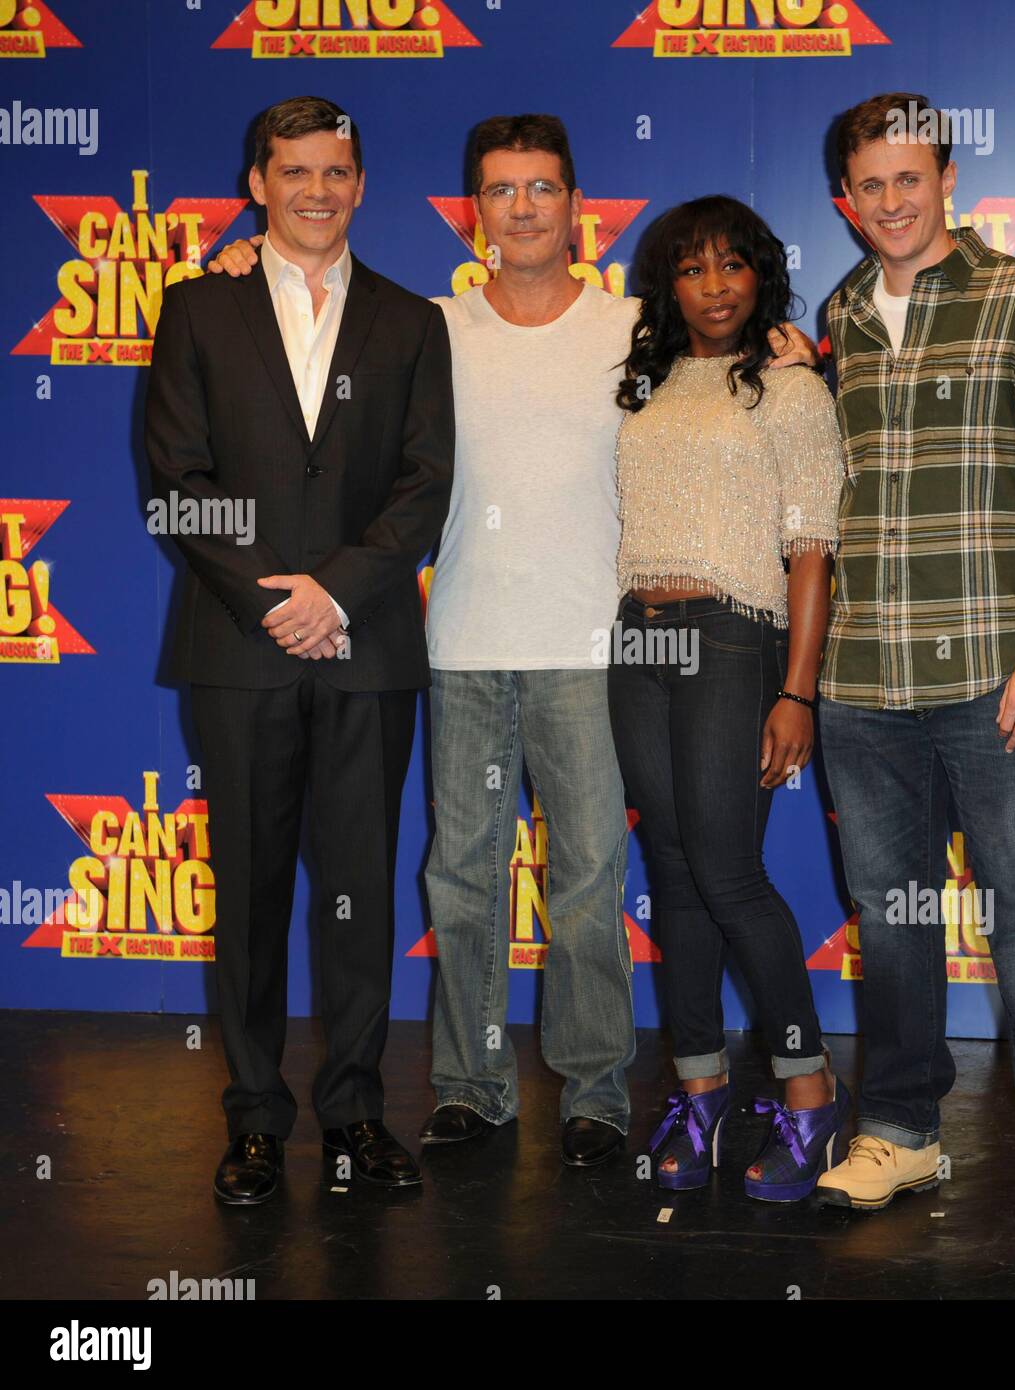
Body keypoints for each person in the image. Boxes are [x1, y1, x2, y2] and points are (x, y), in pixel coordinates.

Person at [209, 115, 818, 1169]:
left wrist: (788, 339)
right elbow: (295, 309)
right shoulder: (421, 327)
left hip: (598, 653)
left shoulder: (639, 326)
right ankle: (471, 1085)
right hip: (460, 645)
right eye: (501, 190)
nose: (524, 208)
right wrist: (236, 254)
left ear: (575, 205)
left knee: (588, 879)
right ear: (473, 211)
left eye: (542, 188)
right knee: (462, 878)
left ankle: (591, 1091)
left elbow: (743, 356)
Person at [813, 92, 1015, 1242]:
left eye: (910, 179)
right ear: (845, 199)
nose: (890, 203)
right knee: (888, 920)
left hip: (998, 670)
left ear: (944, 178)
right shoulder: (838, 313)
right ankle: (899, 1130)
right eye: (869, 185)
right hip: (860, 684)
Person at [148, 95, 454, 1204]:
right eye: (294, 171)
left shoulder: (412, 321)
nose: (316, 190)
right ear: (257, 183)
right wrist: (274, 599)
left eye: (336, 171)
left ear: (362, 184)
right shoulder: (195, 308)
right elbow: (173, 487)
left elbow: (426, 485)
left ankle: (356, 1114)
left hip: (366, 646)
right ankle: (254, 1122)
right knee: (248, 893)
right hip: (239, 649)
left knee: (359, 891)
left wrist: (337, 590)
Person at [610, 197, 847, 1201]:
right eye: (691, 270)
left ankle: (805, 1094)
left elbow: (810, 552)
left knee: (724, 868)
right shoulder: (645, 382)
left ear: (760, 278)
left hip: (731, 634)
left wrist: (796, 690)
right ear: (669, 285)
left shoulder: (789, 389)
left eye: (731, 267)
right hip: (634, 637)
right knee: (669, 874)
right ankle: (699, 1088)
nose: (712, 287)